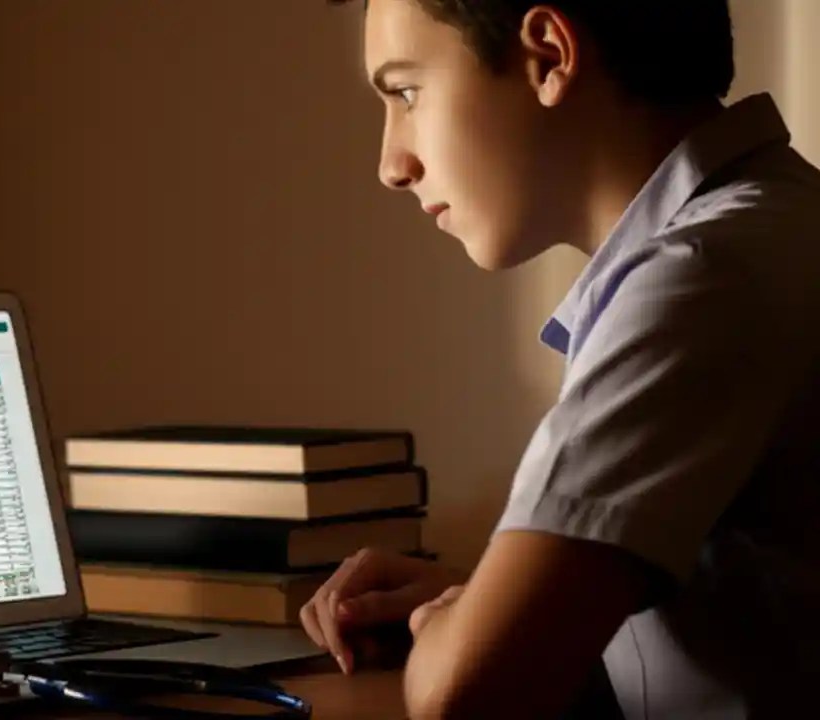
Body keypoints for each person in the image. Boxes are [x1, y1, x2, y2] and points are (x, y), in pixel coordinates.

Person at [299, 1, 820, 717]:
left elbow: (467, 693)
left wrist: (450, 629)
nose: (392, 164)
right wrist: (490, 595)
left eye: (407, 91)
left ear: (548, 56)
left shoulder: (698, 277)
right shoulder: (782, 223)